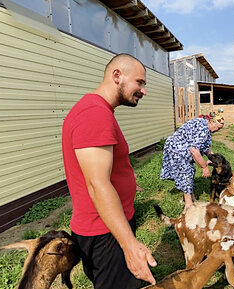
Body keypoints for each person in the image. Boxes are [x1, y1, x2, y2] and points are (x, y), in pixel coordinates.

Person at [62, 53, 156, 288]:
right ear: (117, 76)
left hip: (110, 226)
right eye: (140, 82)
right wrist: (129, 246)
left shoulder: (98, 110)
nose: (143, 91)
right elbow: (97, 184)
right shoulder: (94, 114)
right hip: (105, 232)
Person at [160, 113, 224, 209]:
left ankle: (190, 198)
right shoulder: (203, 128)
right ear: (212, 123)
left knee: (190, 171)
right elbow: (194, 150)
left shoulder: (206, 128)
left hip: (181, 147)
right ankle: (188, 206)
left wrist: (212, 159)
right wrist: (204, 167)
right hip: (176, 148)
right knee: (186, 172)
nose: (218, 130)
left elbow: (206, 148)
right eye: (218, 128)